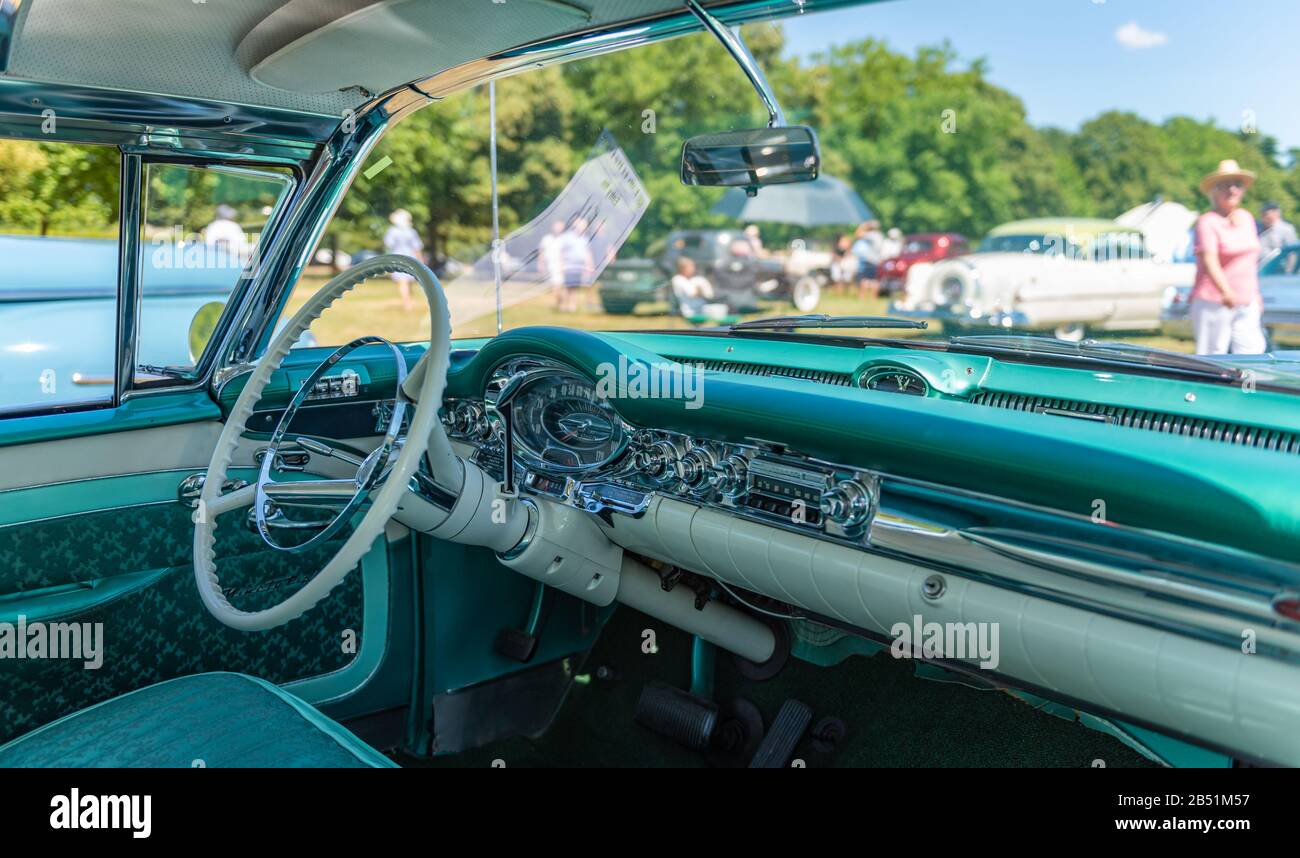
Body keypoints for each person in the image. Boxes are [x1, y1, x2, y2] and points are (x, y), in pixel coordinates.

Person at [1191, 160, 1267, 355]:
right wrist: (1226, 291)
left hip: (1246, 300)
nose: (1232, 189)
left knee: (1252, 353)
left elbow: (1250, 261)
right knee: (1212, 356)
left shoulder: (1247, 218)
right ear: (1214, 190)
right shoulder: (1207, 222)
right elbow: (1210, 260)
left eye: (1237, 185)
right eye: (1225, 185)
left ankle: (1249, 387)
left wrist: (1256, 294)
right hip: (1214, 300)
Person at [383, 209, 423, 311]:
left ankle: (407, 303)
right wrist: (420, 260)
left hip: (397, 258)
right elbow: (417, 247)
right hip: (411, 258)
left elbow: (388, 245)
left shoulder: (392, 231)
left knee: (402, 282)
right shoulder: (411, 231)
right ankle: (409, 302)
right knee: (409, 281)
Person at [851, 220, 884, 299]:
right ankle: (874, 297)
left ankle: (861, 296)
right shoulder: (879, 235)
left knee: (864, 279)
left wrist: (862, 226)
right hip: (877, 260)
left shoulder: (871, 235)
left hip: (870, 260)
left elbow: (858, 234)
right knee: (874, 280)